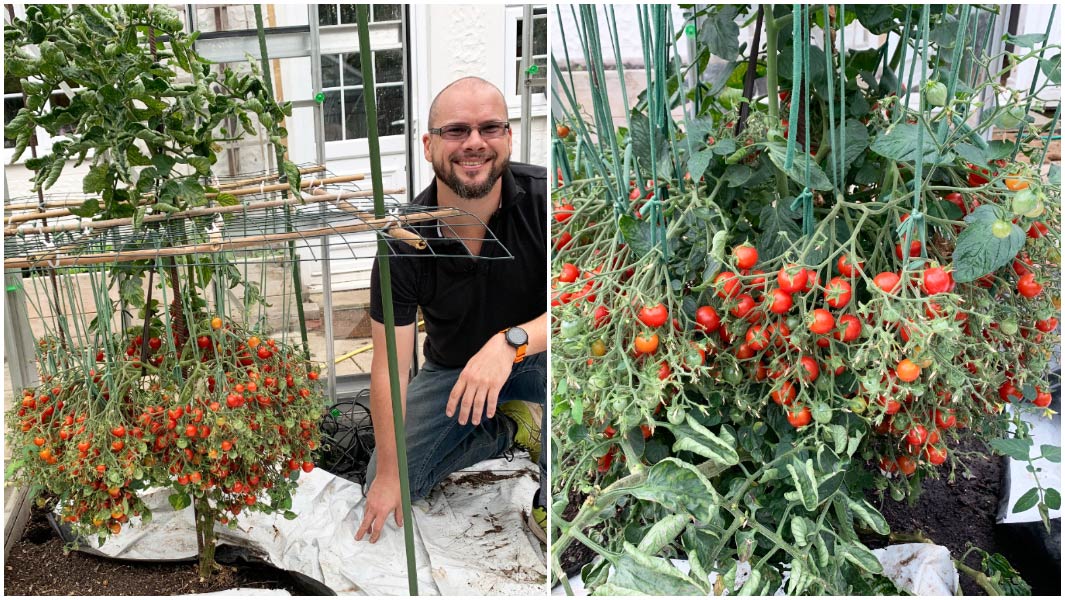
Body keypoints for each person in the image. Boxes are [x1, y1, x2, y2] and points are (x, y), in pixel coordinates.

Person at [356, 77, 547, 545]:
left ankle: (552, 487)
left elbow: (577, 306)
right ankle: (511, 427)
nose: (474, 143)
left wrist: (510, 344)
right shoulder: (404, 241)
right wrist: (389, 475)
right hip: (454, 372)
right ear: (429, 145)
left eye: (490, 128)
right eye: (457, 130)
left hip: (539, 357)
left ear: (508, 137)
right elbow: (390, 367)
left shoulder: (545, 200)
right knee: (389, 478)